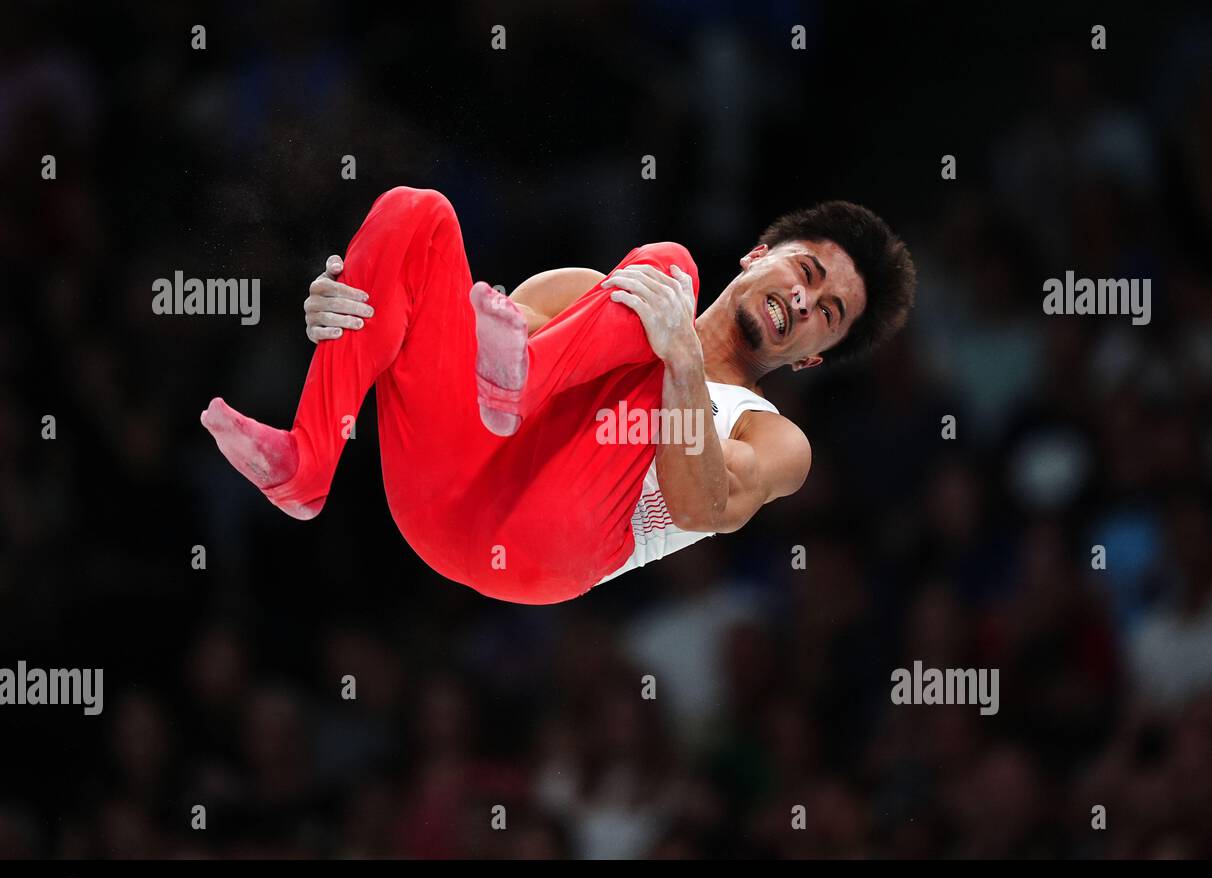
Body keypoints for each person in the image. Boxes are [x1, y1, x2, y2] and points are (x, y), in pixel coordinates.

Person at [201, 186, 915, 604]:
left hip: (553, 541)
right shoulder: (586, 294)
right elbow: (438, 352)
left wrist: (682, 361)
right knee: (414, 214)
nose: (803, 299)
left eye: (827, 312)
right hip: (442, 495)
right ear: (760, 254)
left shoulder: (778, 439)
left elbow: (702, 505)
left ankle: (527, 379)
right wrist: (355, 304)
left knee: (669, 270)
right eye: (808, 270)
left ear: (814, 355)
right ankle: (307, 461)